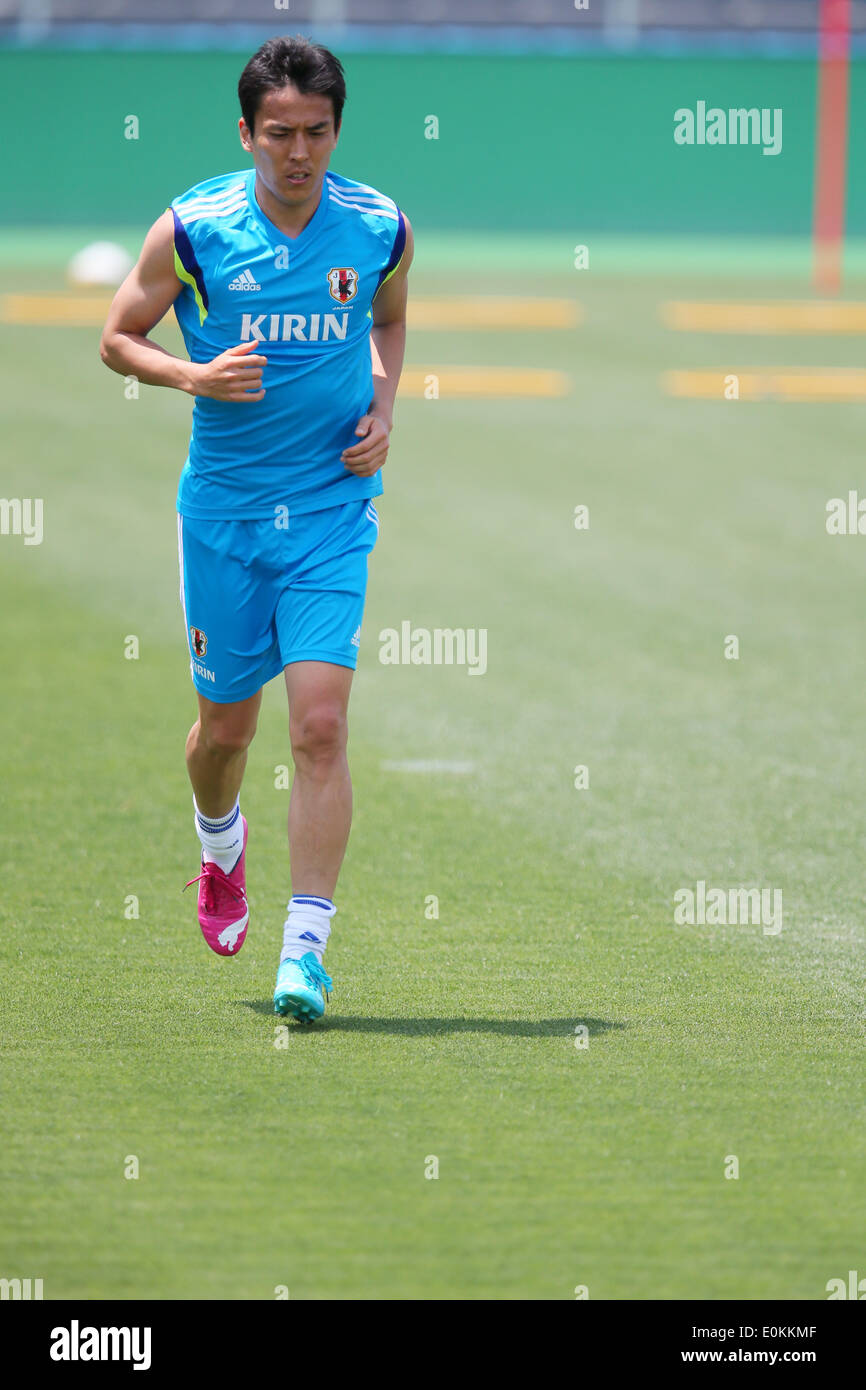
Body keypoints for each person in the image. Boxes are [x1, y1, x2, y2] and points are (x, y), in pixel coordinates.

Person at [100, 34, 413, 1022]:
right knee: (224, 735)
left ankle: (304, 952)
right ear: (245, 133)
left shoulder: (379, 228)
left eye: (316, 132)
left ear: (337, 131)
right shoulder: (193, 230)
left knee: (319, 724)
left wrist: (383, 407)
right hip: (226, 517)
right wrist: (190, 374)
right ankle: (218, 843)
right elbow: (116, 337)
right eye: (279, 133)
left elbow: (388, 320)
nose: (298, 152)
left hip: (330, 509)